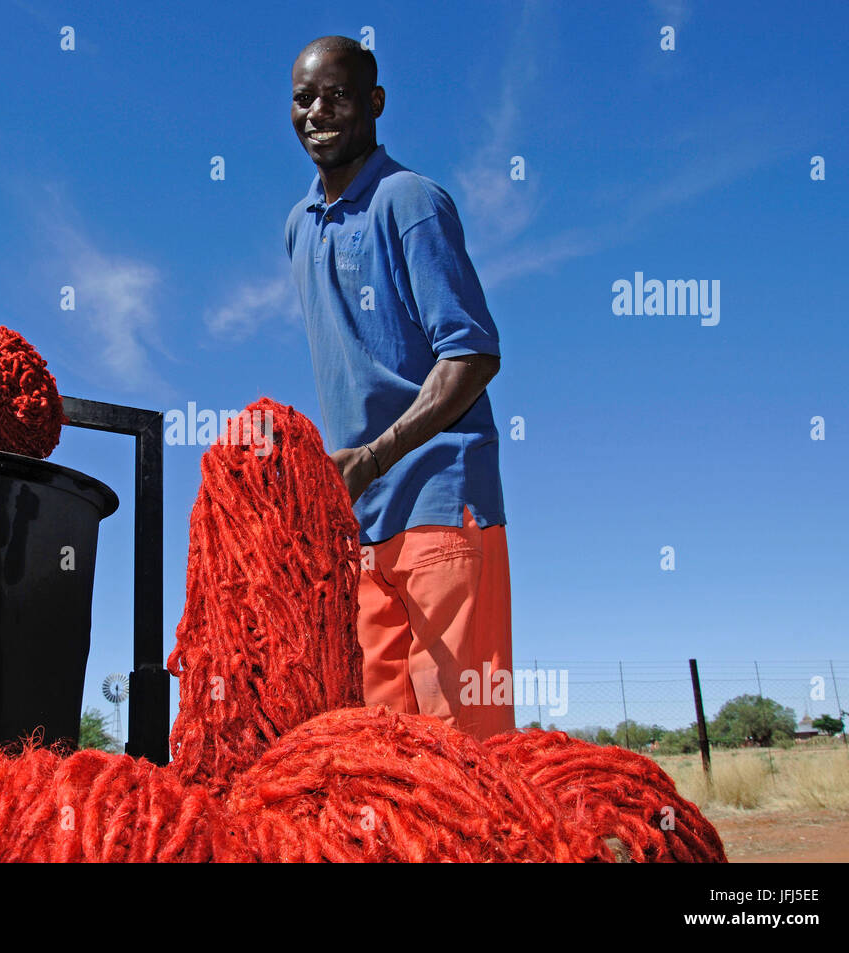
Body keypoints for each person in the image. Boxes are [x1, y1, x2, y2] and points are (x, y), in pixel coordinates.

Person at [285, 35, 513, 739]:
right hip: (363, 528)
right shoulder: (299, 227)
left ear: (375, 103)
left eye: (339, 95)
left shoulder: (410, 200)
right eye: (303, 98)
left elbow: (471, 355)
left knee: (464, 749)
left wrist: (375, 456)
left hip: (443, 506)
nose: (318, 112)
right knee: (386, 759)